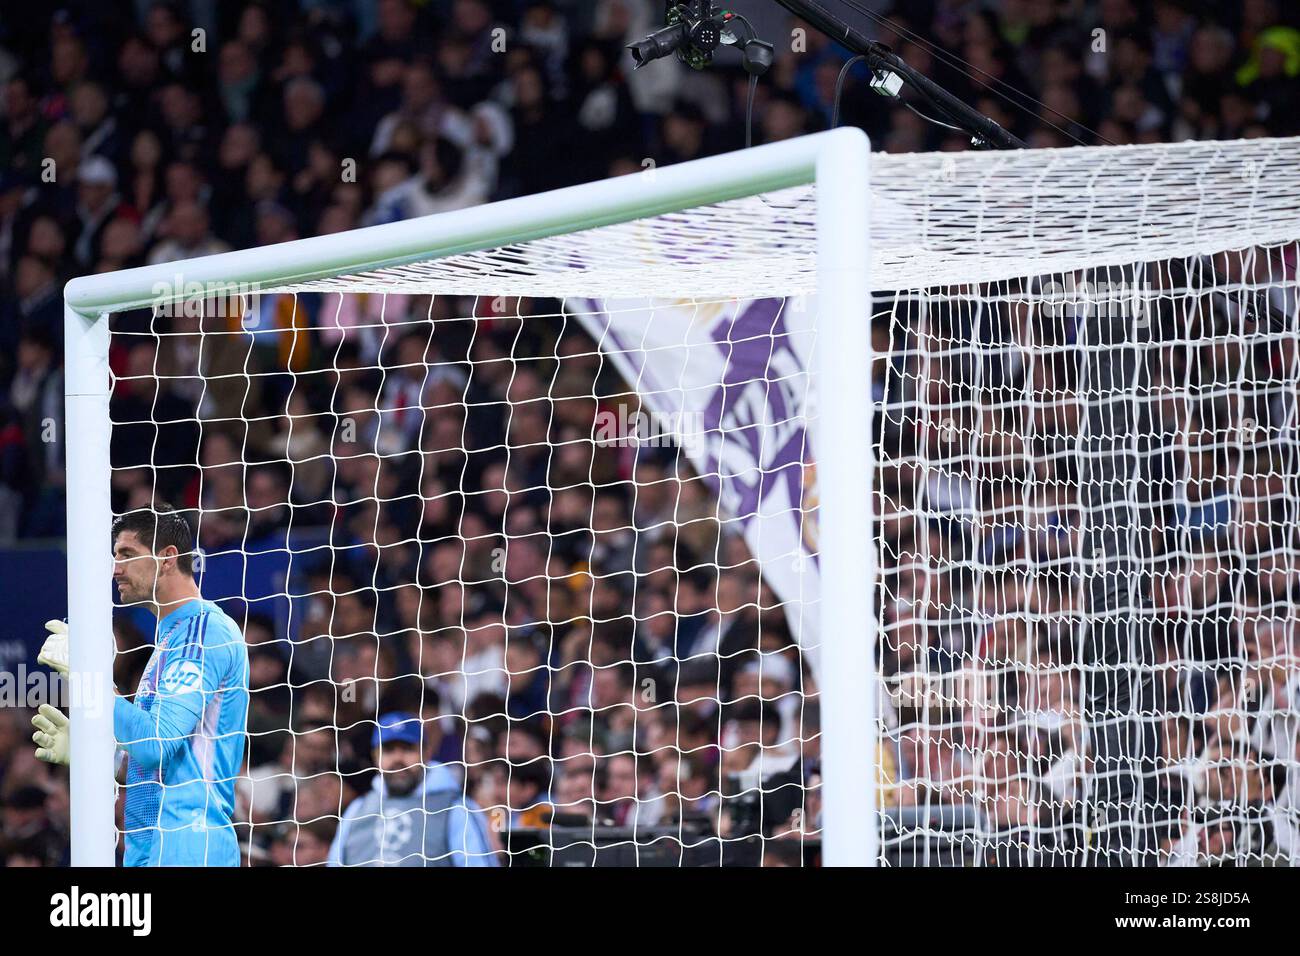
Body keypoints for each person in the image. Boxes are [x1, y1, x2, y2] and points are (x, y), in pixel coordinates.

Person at [31, 505, 249, 866]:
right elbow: (163, 762)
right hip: (150, 846)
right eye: (114, 556)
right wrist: (96, 752)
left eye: (127, 554)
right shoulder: (171, 639)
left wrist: (89, 679)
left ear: (167, 558)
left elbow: (156, 744)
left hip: (189, 847)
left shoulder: (203, 631)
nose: (115, 568)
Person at [329, 712, 497, 866]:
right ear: (375, 756)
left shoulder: (456, 810)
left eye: (407, 748)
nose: (398, 758)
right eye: (388, 750)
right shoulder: (357, 810)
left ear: (426, 753)